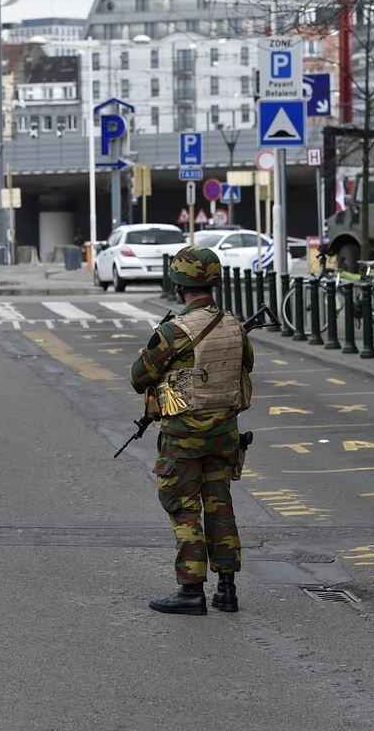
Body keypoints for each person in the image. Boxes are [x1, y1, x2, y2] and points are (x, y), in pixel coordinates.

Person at [128, 245, 252, 616]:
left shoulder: (173, 331)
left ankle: (191, 588)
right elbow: (246, 363)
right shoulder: (234, 325)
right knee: (219, 505)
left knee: (183, 506)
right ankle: (226, 589)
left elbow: (138, 378)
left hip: (183, 435)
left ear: (179, 283)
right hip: (224, 432)